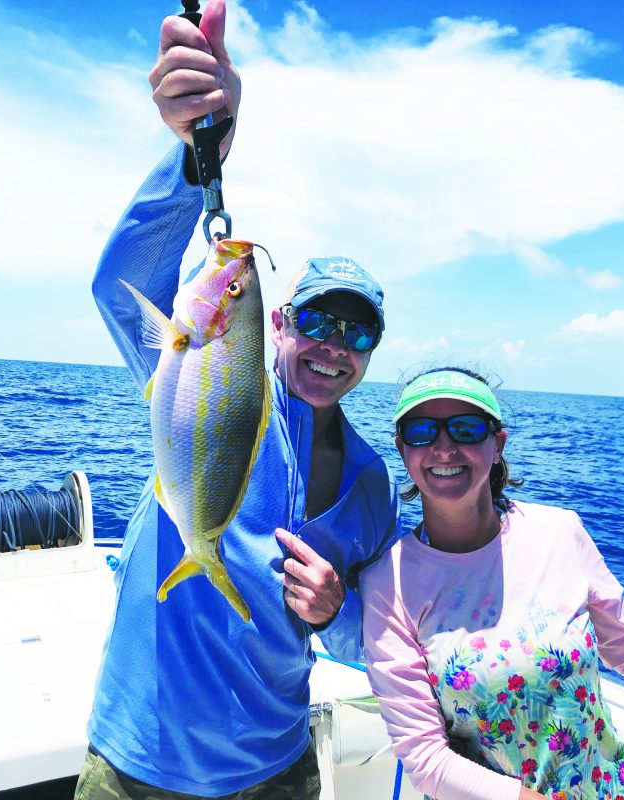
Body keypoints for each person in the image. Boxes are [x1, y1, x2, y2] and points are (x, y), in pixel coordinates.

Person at [75, 2, 401, 798]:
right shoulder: (199, 374)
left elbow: (373, 639)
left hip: (277, 768)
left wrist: (334, 615)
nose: (333, 346)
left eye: (357, 336)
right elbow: (121, 283)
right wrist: (197, 150)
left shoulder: (371, 483)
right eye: (318, 321)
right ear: (280, 325)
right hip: (137, 763)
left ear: (370, 357)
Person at [361, 366, 624, 800]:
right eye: (422, 432)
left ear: (498, 443)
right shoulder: (386, 585)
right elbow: (426, 758)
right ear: (402, 449)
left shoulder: (559, 532)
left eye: (466, 429)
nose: (444, 447)